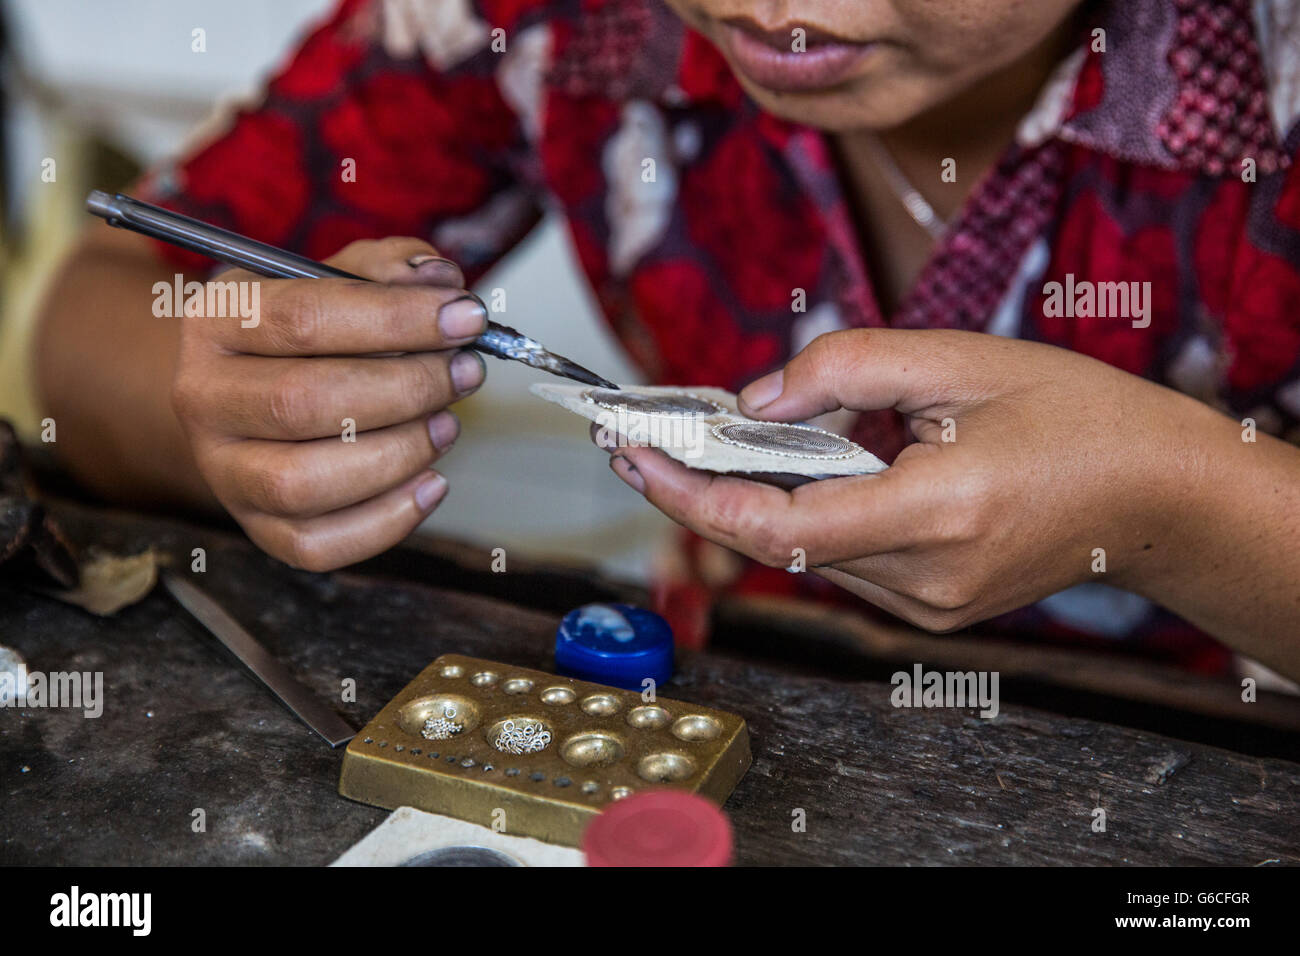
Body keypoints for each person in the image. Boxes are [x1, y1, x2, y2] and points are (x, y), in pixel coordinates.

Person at [32, 0, 1300, 679]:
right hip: (736, 691)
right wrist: (239, 403)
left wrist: (1168, 507)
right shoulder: (539, 14)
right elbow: (94, 323)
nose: (771, 10)